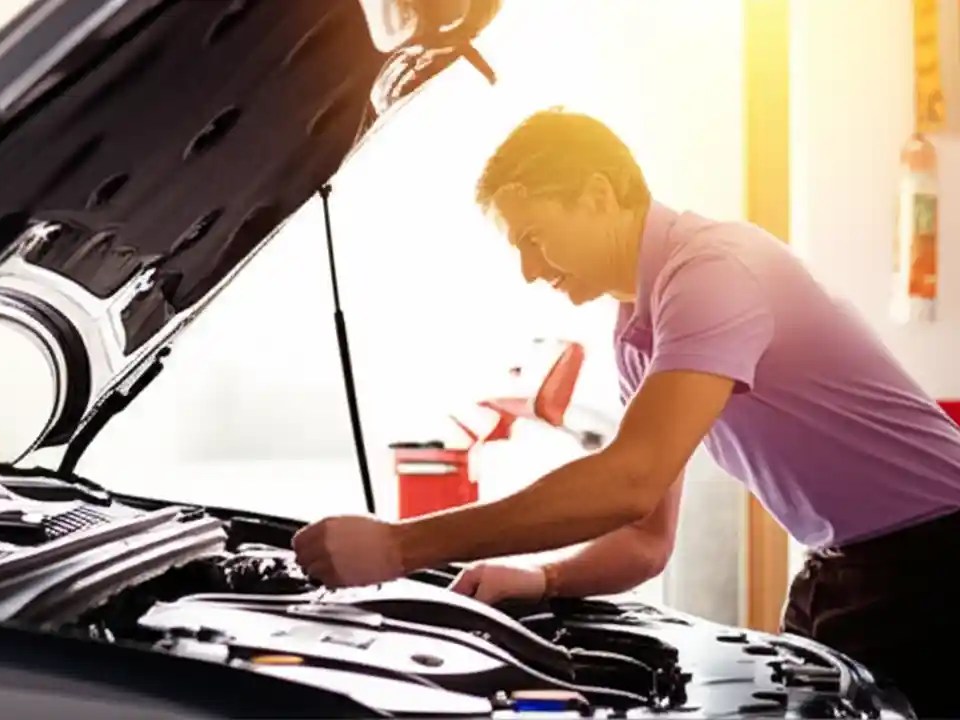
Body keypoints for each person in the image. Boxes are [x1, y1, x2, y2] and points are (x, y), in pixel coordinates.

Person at [291, 107, 960, 716]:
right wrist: (542, 577)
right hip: (840, 568)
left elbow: (628, 479)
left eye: (535, 237)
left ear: (598, 195)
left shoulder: (714, 271)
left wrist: (402, 545)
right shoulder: (638, 329)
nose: (528, 270)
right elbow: (646, 539)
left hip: (937, 564)